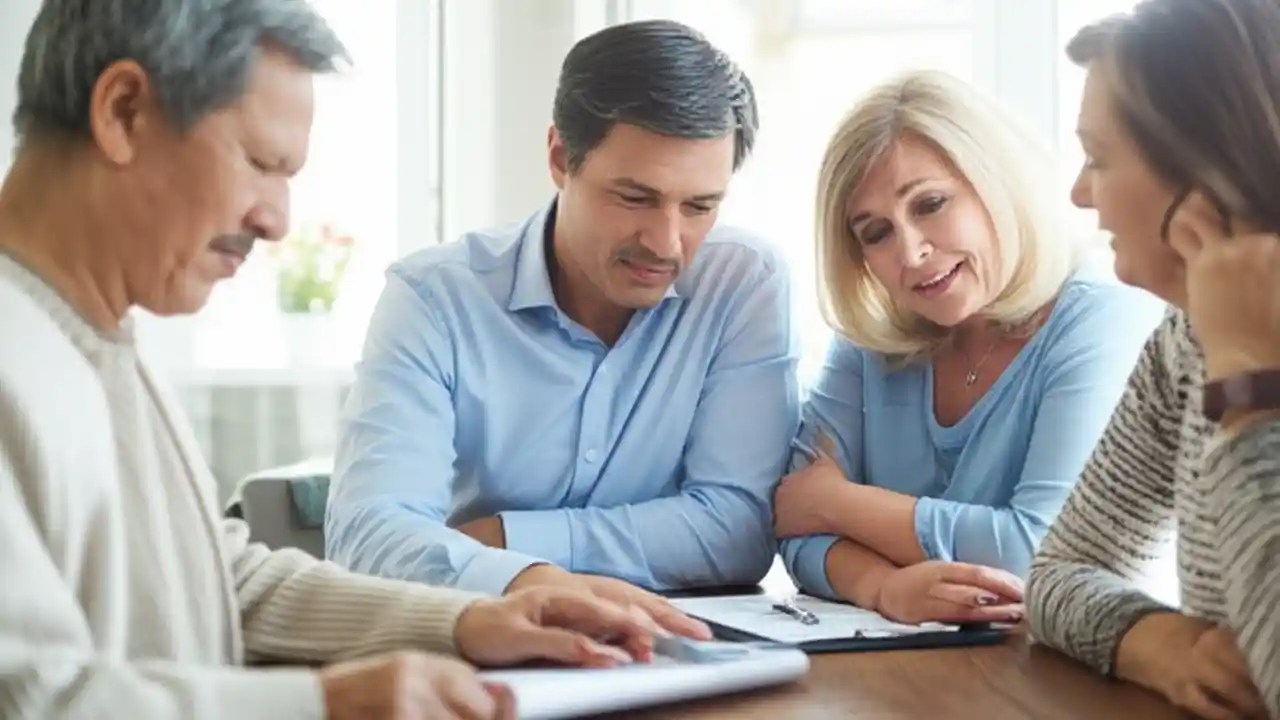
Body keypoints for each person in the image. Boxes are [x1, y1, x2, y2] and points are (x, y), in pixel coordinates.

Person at [0, 2, 669, 718]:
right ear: (123, 112)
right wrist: (325, 704)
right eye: (261, 164)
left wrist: (467, 619)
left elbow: (223, 581)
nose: (276, 221)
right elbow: (34, 697)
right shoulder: (21, 356)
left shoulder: (94, 340)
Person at [325, 19, 799, 620]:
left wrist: (502, 539)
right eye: (635, 198)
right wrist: (530, 580)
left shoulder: (743, 285)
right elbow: (368, 536)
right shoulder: (435, 300)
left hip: (678, 645)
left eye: (700, 206)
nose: (666, 243)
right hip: (481, 640)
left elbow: (738, 529)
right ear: (559, 157)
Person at [775, 70, 1163, 626]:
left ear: (996, 183)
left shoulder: (1105, 317)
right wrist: (885, 588)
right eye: (876, 233)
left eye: (930, 204)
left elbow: (1043, 553)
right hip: (912, 667)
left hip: (1065, 665)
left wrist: (836, 503)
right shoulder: (869, 342)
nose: (911, 253)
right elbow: (795, 528)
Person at [1026, 1, 1280, 717]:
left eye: (1099, 158)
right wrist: (1157, 642)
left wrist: (1250, 386)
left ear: (1206, 170)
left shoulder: (1231, 354)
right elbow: (1059, 570)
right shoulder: (1185, 340)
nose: (1080, 193)